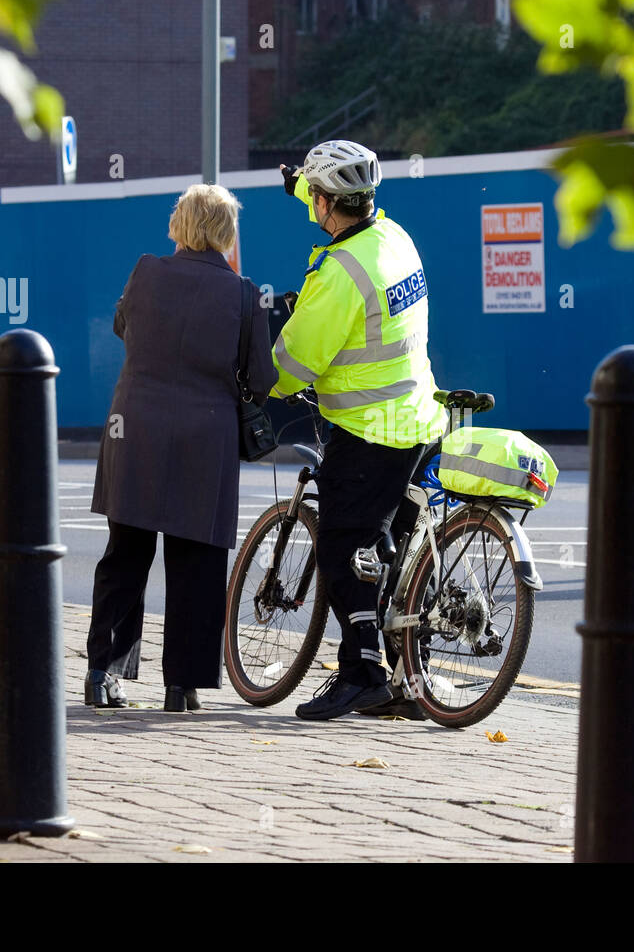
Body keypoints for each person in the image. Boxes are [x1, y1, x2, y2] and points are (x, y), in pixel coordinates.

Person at [270, 140, 446, 721]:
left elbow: (293, 362)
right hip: (420, 419)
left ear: (326, 204)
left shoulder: (339, 273)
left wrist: (255, 385)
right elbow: (332, 197)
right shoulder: (393, 238)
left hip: (371, 431)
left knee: (342, 546)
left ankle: (362, 673)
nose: (311, 206)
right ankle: (406, 678)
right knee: (385, 553)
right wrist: (298, 181)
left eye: (312, 198)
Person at [85, 183, 276, 712]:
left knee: (125, 556)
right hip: (204, 440)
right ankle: (181, 686)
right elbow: (260, 378)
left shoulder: (146, 271)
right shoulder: (244, 293)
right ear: (226, 233)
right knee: (198, 563)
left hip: (135, 430)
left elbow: (125, 326)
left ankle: (103, 672)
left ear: (180, 225)